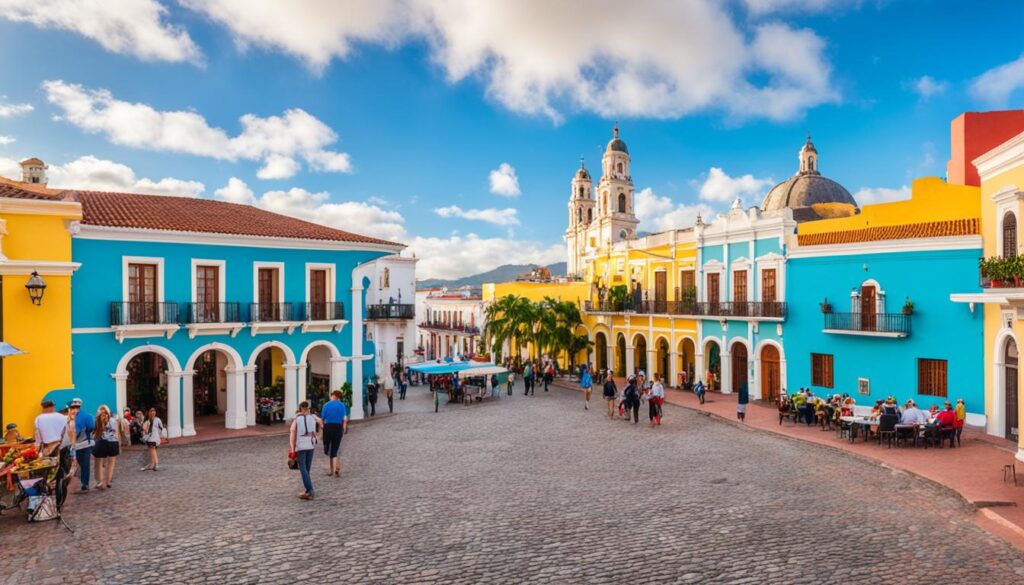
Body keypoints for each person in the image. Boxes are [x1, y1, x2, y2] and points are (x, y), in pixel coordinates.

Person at [289, 401, 319, 500]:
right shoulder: (313, 417)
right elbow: (321, 422)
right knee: (307, 468)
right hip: (311, 444)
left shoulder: (297, 418)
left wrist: (292, 448)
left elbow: (293, 431)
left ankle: (310, 490)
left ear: (300, 408)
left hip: (301, 444)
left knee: (303, 469)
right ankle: (307, 490)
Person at [320, 390, 348, 478]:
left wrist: (322, 428)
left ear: (332, 395)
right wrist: (343, 428)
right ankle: (336, 469)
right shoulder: (342, 405)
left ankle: (331, 470)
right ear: (338, 397)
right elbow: (345, 418)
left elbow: (322, 419)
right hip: (338, 427)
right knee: (336, 448)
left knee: (328, 449)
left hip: (328, 427)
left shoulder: (326, 405)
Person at [92, 405, 121, 489]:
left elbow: (96, 435)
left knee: (98, 463)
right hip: (113, 443)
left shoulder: (97, 421)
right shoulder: (113, 420)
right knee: (111, 463)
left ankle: (100, 482)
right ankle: (108, 481)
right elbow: (117, 433)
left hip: (101, 443)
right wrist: (118, 443)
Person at [69, 398, 95, 493]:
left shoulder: (73, 417)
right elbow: (92, 427)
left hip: (77, 444)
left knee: (80, 464)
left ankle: (84, 484)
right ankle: (84, 484)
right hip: (86, 443)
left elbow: (74, 432)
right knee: (85, 464)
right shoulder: (88, 416)